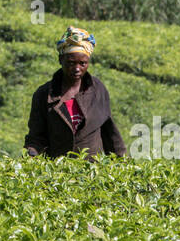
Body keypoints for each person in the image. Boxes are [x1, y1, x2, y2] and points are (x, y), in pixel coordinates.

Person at [25, 25, 126, 159]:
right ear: (60, 60)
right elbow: (36, 136)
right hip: (58, 172)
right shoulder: (44, 94)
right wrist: (31, 154)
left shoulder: (97, 90)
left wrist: (122, 160)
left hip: (92, 170)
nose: (77, 68)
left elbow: (109, 130)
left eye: (82, 63)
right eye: (71, 63)